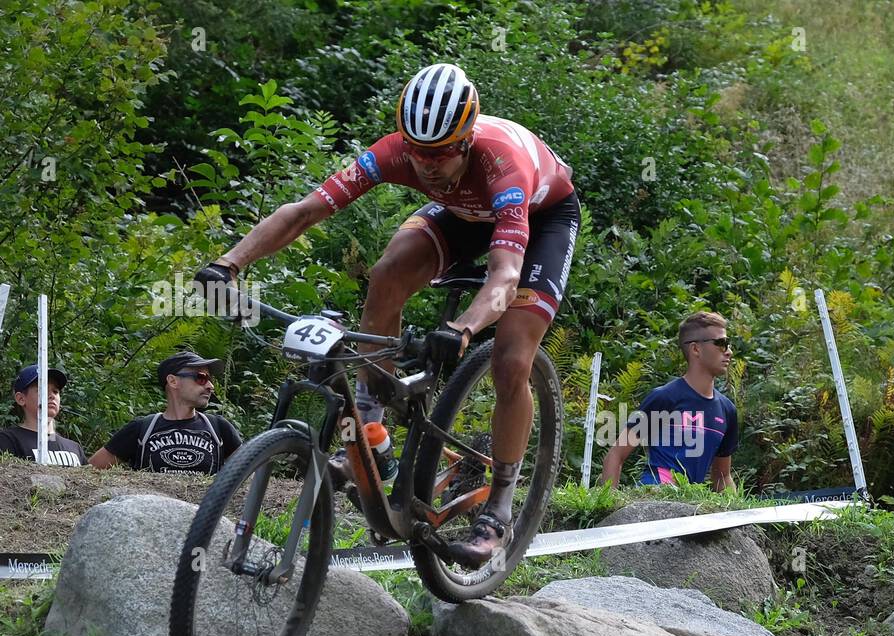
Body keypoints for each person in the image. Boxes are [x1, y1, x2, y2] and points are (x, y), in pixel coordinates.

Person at [193, 63, 580, 568]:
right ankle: (372, 435)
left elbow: (505, 276)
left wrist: (462, 328)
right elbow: (307, 210)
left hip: (539, 220)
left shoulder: (501, 164)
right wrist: (230, 262)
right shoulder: (395, 151)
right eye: (417, 152)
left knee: (510, 358)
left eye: (440, 153)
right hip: (463, 215)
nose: (426, 166)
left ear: (465, 141)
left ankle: (500, 508)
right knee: (387, 274)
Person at [601, 311, 738, 491]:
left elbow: (722, 476)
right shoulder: (664, 398)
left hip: (691, 502)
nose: (729, 351)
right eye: (721, 343)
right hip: (653, 496)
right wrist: (607, 506)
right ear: (696, 349)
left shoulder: (727, 410)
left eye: (728, 344)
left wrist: (740, 515)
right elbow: (616, 455)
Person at [89, 352, 241, 474]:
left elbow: (251, 477)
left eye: (210, 379)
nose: (210, 385)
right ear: (173, 381)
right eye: (201, 378)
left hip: (206, 511)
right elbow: (89, 471)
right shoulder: (143, 428)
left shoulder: (219, 428)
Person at [0, 365, 86, 466]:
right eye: (43, 389)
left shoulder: (75, 448)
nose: (52, 396)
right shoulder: (7, 440)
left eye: (55, 391)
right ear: (21, 399)